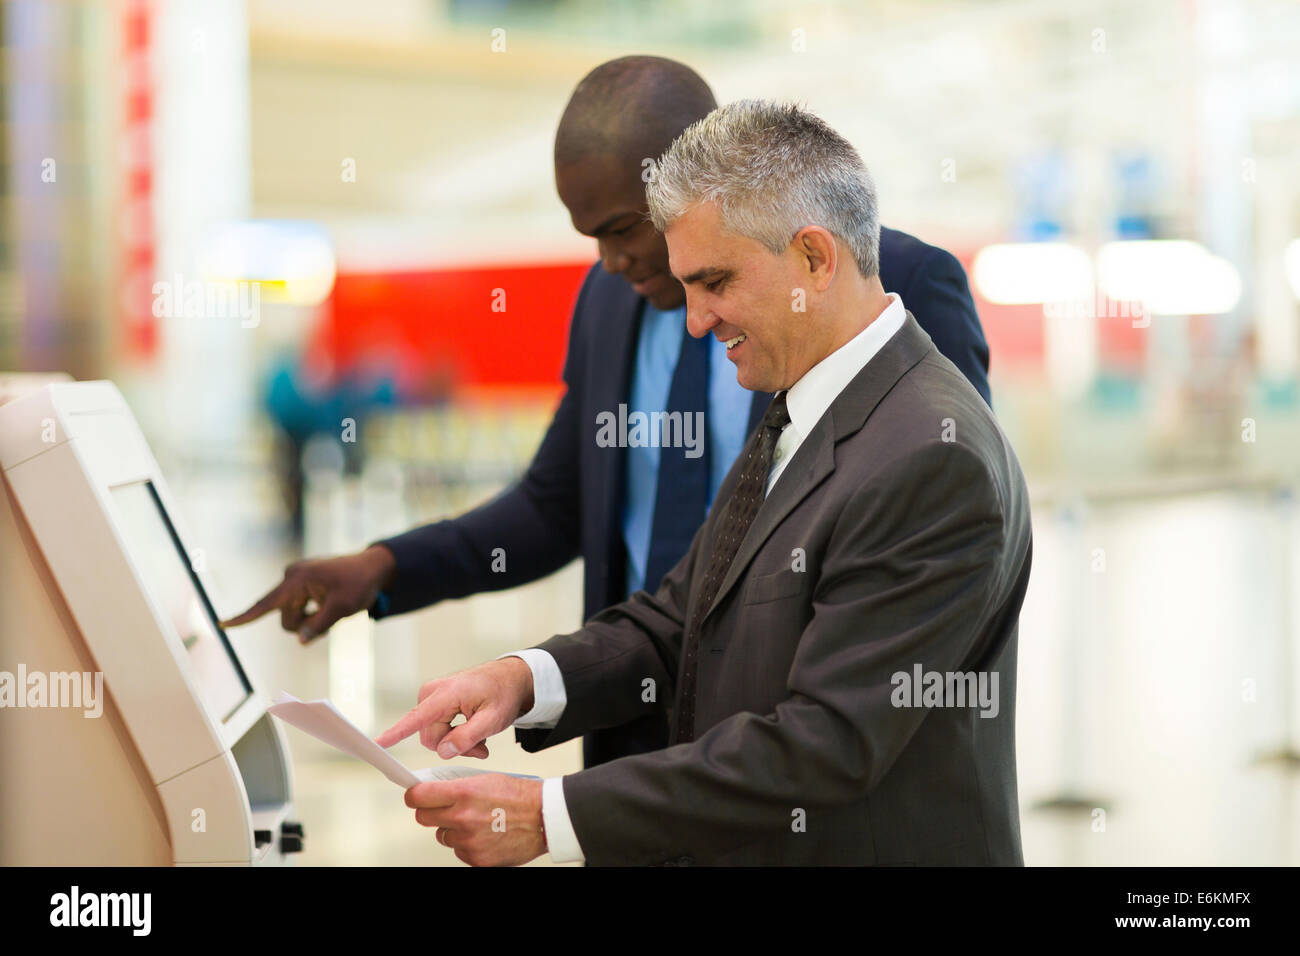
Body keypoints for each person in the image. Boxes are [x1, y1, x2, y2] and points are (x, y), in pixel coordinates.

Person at [223, 56, 994, 773]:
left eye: (625, 229)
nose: (610, 261)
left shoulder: (894, 284)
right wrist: (386, 568)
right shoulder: (607, 305)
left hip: (801, 736)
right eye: (589, 236)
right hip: (631, 711)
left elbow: (945, 518)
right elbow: (557, 504)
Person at [373, 100, 1034, 866]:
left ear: (815, 260)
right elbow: (680, 618)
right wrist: (521, 680)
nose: (694, 322)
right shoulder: (802, 406)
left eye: (715, 281)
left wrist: (551, 813)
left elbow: (825, 744)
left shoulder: (929, 454)